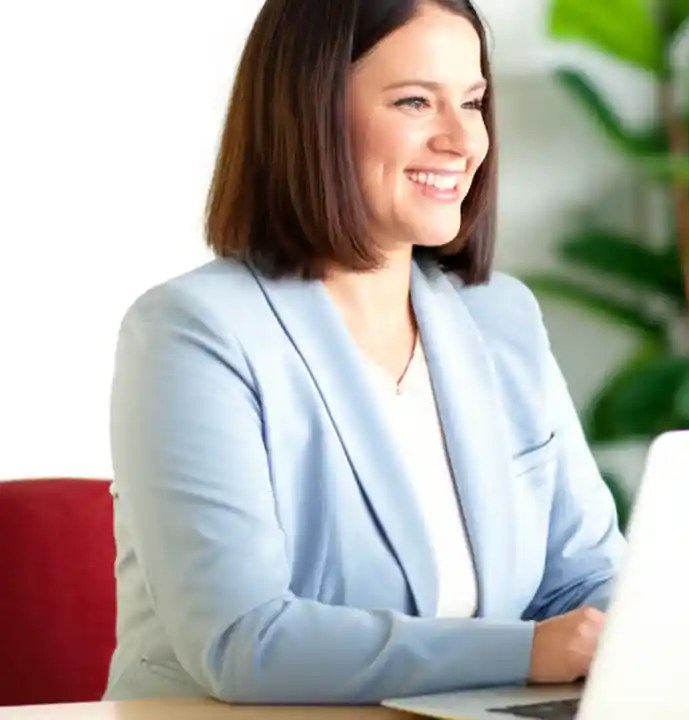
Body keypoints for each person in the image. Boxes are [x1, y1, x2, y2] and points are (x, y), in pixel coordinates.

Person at [104, 0, 625, 705]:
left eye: (471, 102)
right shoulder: (192, 332)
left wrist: (639, 631)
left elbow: (585, 575)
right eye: (415, 101)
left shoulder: (500, 317)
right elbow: (243, 641)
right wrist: (530, 650)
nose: (463, 141)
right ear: (310, 114)